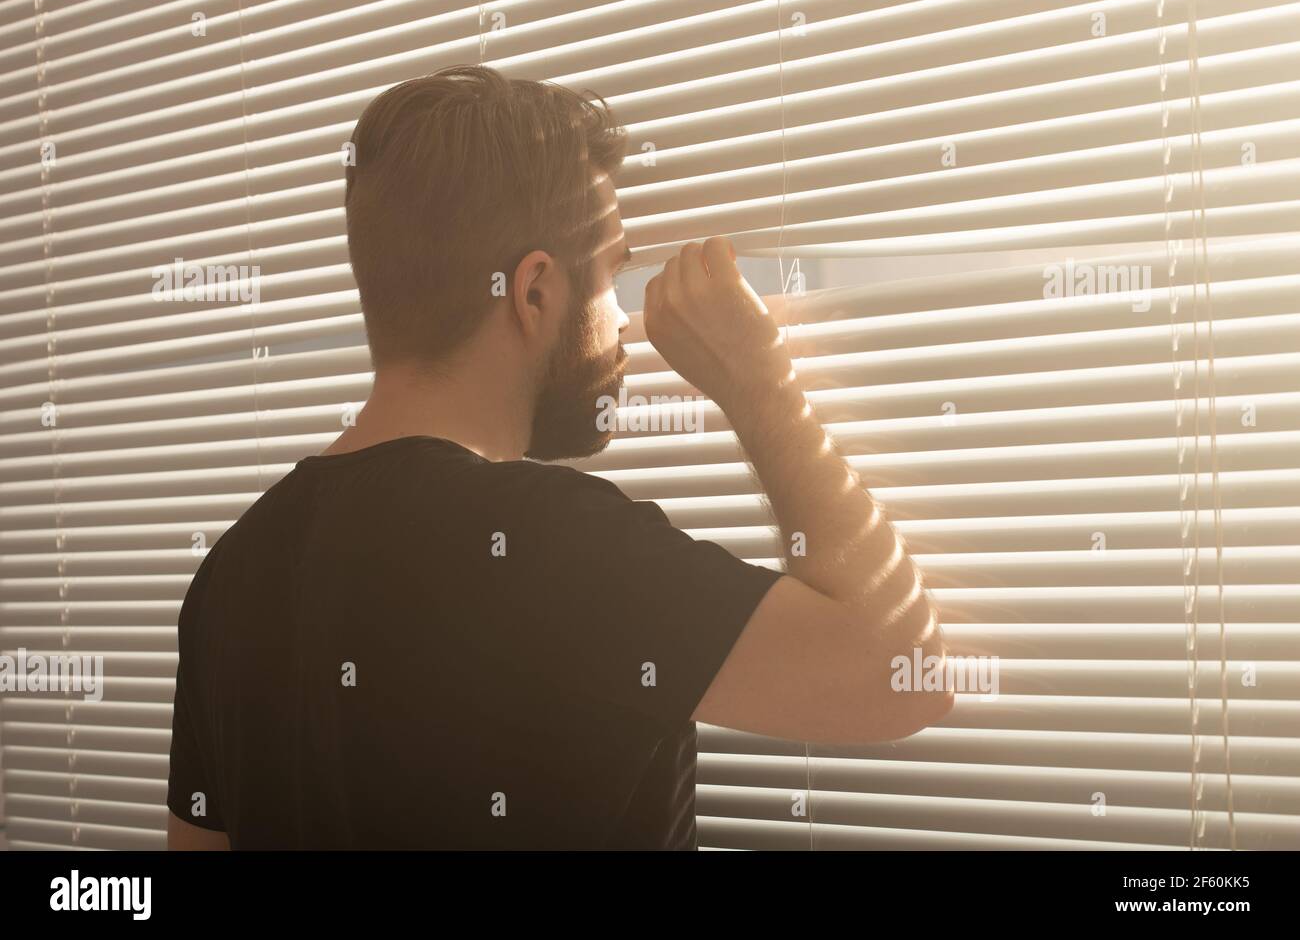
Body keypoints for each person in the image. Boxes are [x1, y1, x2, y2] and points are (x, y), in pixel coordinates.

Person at [166, 65, 953, 850]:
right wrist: (759, 380)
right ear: (534, 292)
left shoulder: (230, 576)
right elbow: (903, 674)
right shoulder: (552, 543)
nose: (624, 325)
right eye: (611, 278)